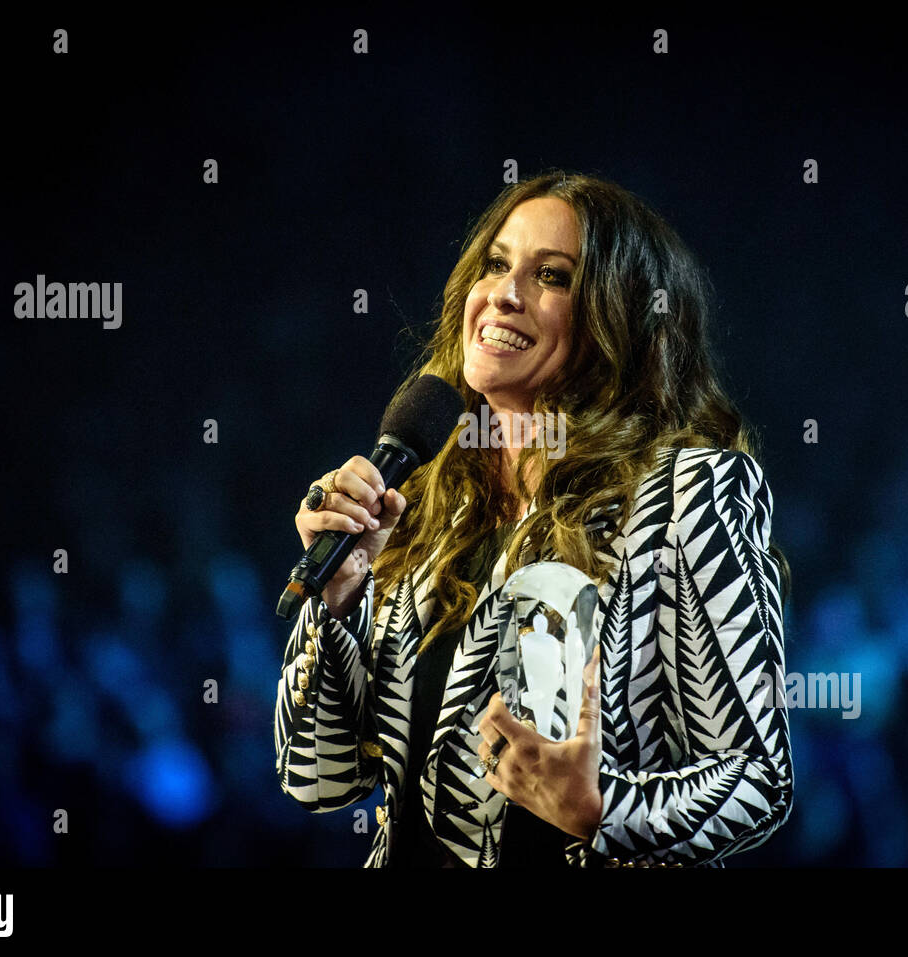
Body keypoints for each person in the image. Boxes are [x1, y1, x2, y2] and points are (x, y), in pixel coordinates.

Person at [275, 170, 794, 867]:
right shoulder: (429, 496)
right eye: (495, 264)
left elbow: (757, 777)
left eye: (551, 275)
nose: (505, 294)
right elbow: (321, 779)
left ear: (621, 317)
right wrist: (338, 601)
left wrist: (600, 810)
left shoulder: (684, 494)